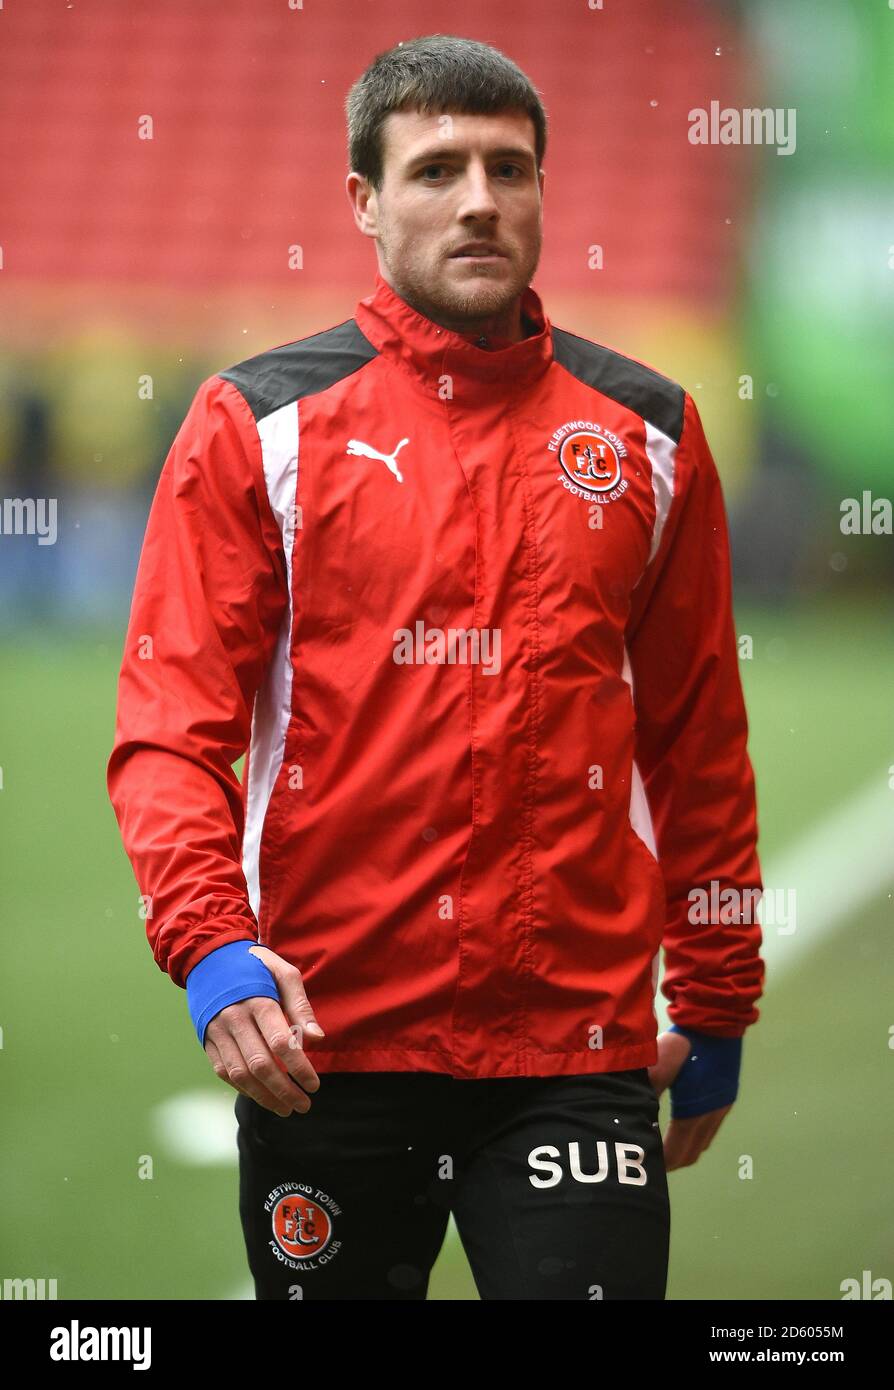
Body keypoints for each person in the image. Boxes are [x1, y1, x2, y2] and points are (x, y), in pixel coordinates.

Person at [107, 33, 765, 1301]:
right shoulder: (258, 424)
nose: (479, 199)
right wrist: (210, 947)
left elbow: (698, 741)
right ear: (363, 201)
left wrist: (721, 987)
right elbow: (168, 726)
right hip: (327, 1048)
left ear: (542, 189)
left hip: (577, 1051)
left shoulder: (653, 432)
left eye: (509, 168)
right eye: (436, 170)